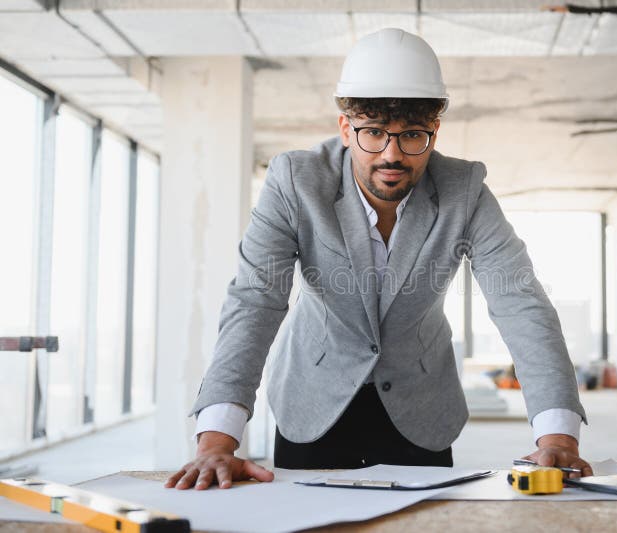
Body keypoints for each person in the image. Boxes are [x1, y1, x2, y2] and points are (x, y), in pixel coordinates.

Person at [166, 28, 591, 491]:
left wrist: (559, 438)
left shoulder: (463, 190)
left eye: (412, 135)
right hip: (314, 398)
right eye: (372, 133)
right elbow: (255, 300)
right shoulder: (295, 181)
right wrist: (216, 442)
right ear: (346, 128)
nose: (392, 155)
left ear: (434, 131)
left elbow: (520, 302)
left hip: (420, 405)